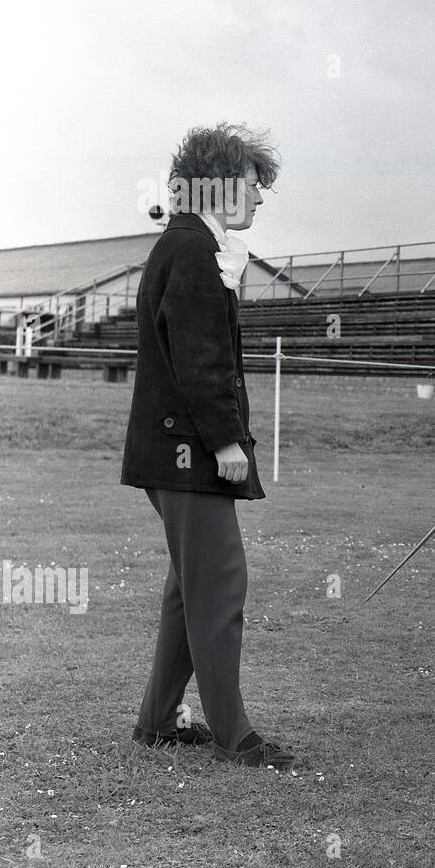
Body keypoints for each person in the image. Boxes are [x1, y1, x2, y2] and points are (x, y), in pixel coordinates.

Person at [120, 124, 295, 769]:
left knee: (188, 589)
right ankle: (233, 735)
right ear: (218, 184)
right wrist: (224, 440)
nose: (260, 196)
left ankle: (158, 722)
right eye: (253, 183)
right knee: (220, 584)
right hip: (187, 453)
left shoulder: (193, 245)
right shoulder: (192, 248)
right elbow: (198, 356)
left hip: (173, 453)